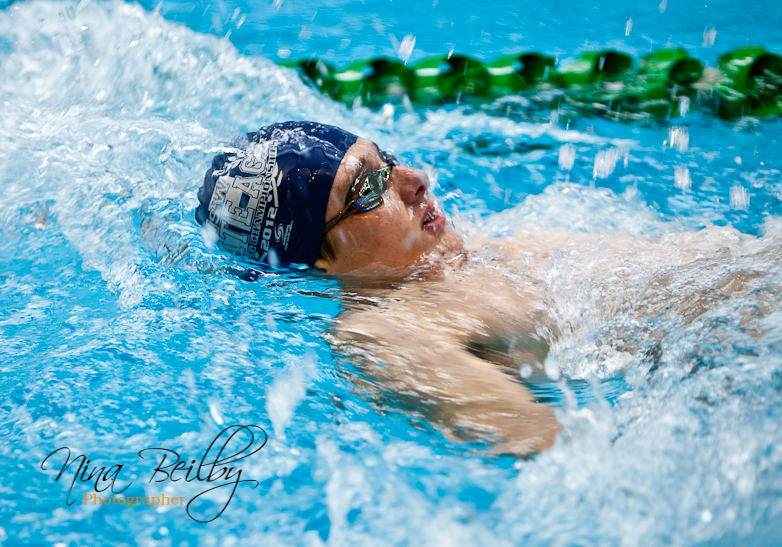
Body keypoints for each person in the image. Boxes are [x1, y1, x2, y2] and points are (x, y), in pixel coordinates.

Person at [195, 121, 562, 455]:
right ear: (317, 260)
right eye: (366, 187)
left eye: (386, 160)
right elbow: (548, 441)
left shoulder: (464, 250)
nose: (416, 180)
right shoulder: (383, 333)